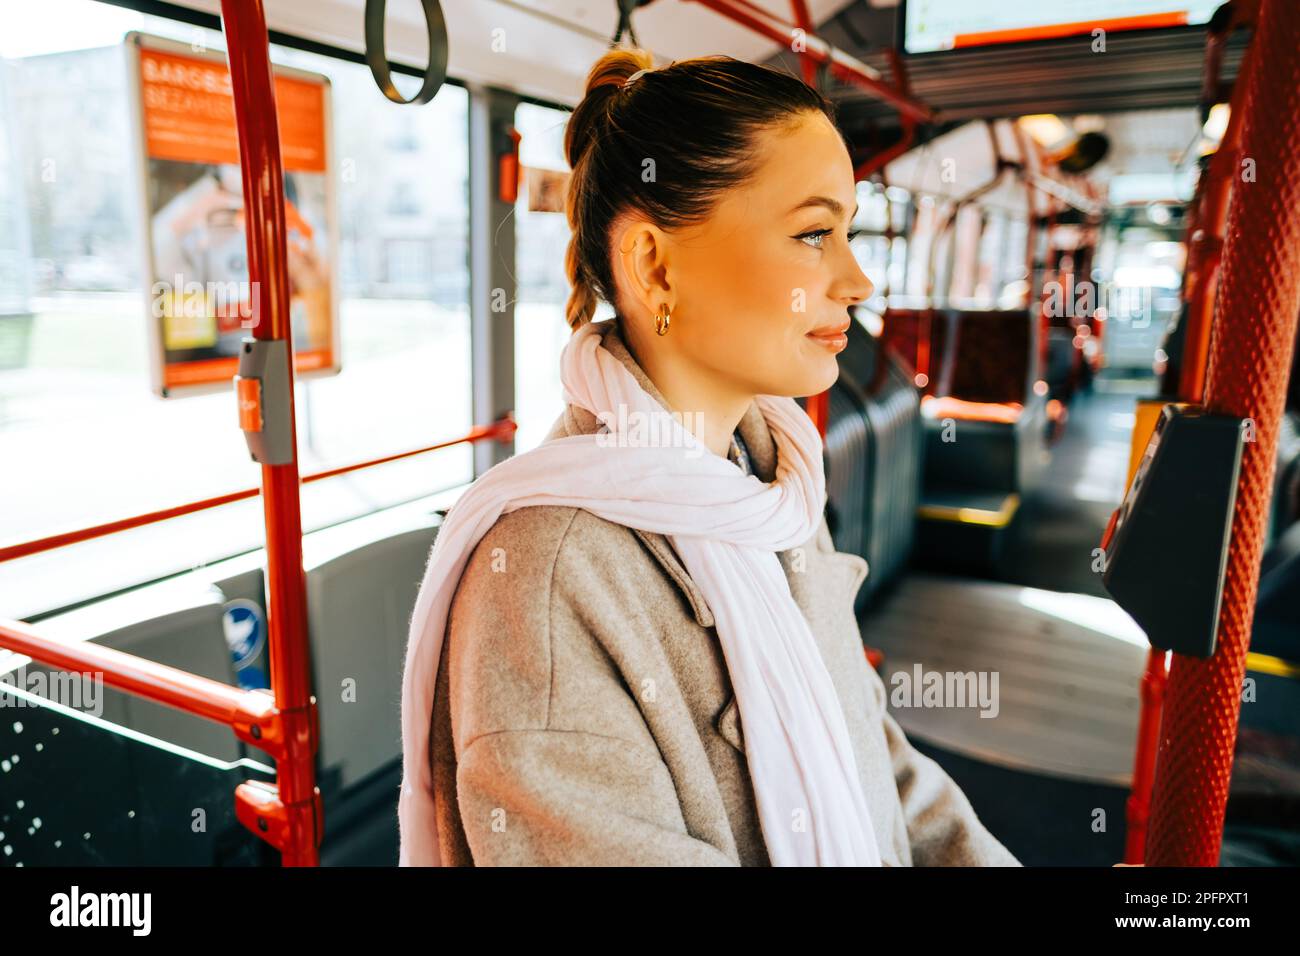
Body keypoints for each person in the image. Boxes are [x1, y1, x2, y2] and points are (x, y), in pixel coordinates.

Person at [397, 48, 1021, 867]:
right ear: (656, 268)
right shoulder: (548, 582)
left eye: (850, 233)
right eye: (813, 234)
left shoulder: (774, 493)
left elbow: (872, 758)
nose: (858, 279)